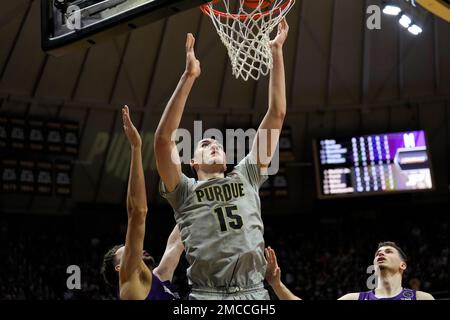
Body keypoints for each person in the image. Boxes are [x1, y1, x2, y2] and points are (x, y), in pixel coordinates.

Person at [153, 19, 290, 300]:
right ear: (193, 162)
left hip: (254, 292)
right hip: (207, 295)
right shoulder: (184, 191)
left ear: (227, 161)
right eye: (205, 144)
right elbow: (163, 141)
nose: (213, 145)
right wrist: (188, 77)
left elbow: (276, 114)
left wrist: (276, 51)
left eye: (217, 144)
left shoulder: (247, 175)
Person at [101, 105, 184, 300]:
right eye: (128, 250)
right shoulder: (130, 284)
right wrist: (136, 148)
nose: (136, 248)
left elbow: (176, 244)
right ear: (120, 268)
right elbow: (138, 212)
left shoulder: (159, 280)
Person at [339, 241, 435, 300]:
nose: (380, 254)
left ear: (402, 265)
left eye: (388, 252)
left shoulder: (422, 298)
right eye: (377, 254)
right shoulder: (351, 298)